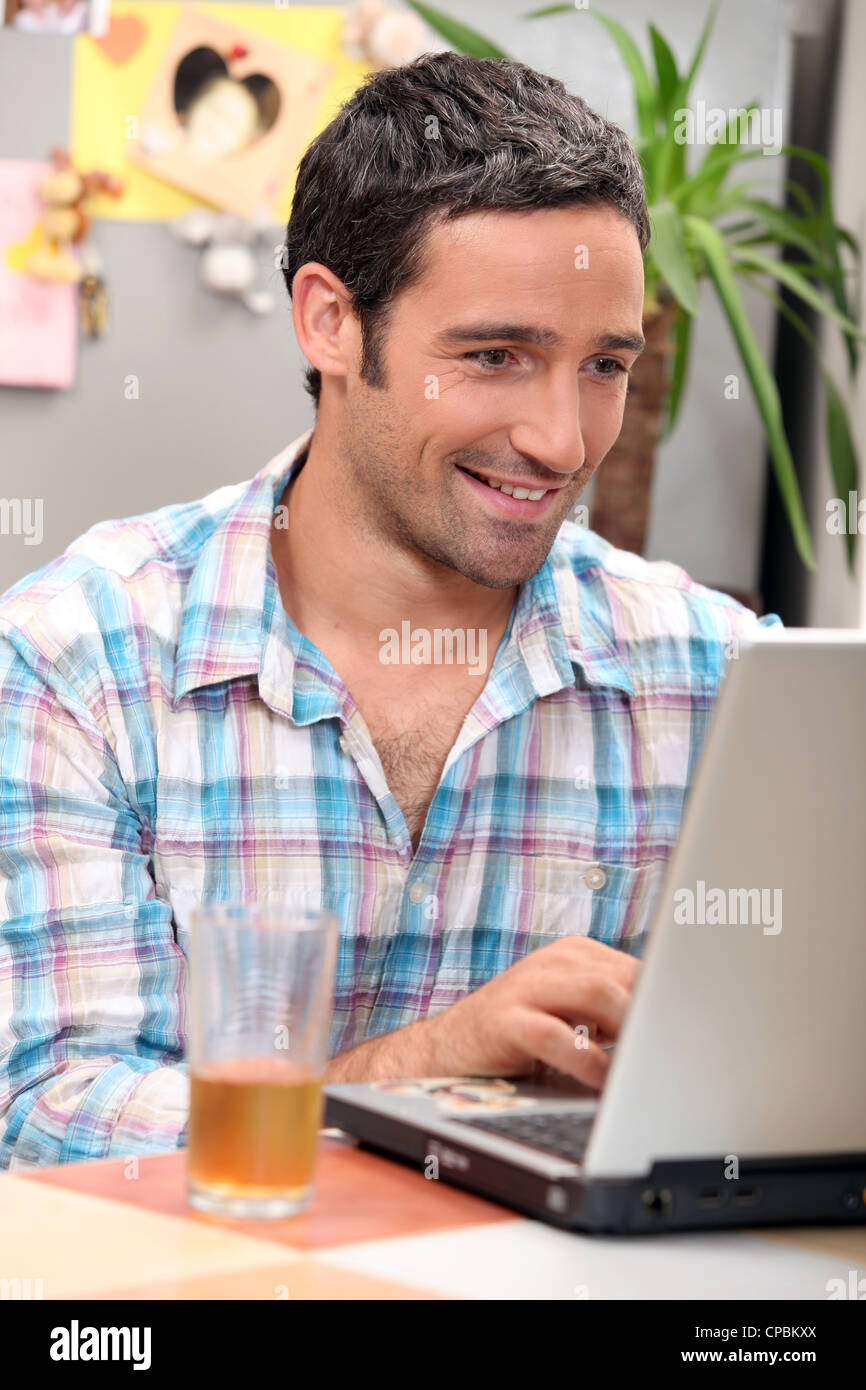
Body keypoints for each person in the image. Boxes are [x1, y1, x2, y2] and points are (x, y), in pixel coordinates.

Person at [0, 52, 781, 1168]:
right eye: (494, 356)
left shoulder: (719, 677)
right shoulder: (75, 660)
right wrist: (427, 1071)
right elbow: (45, 1118)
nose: (561, 442)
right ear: (329, 323)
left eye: (602, 365)